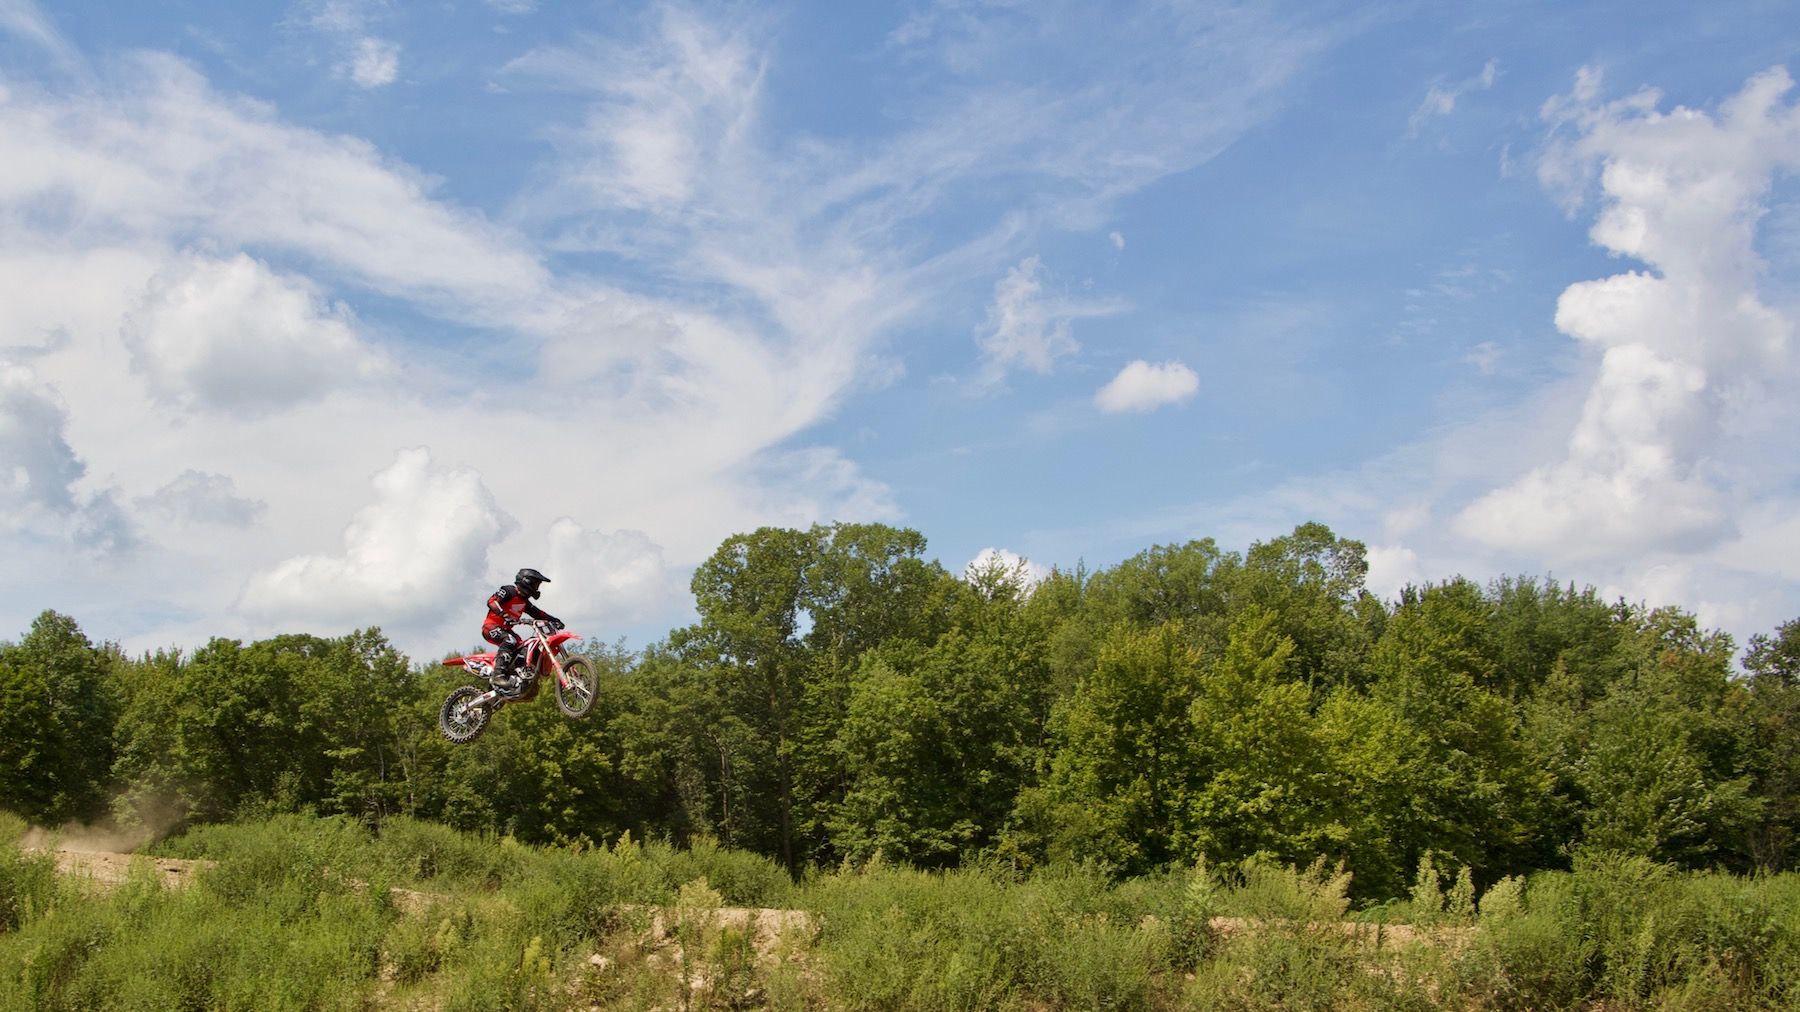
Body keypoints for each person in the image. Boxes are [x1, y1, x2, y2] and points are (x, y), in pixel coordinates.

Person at [483, 567, 563, 693]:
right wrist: (504, 614)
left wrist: (555, 620)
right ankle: (498, 675)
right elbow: (492, 601)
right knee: (511, 640)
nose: (537, 588)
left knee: (522, 646)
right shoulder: (508, 591)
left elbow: (538, 613)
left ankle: (517, 676)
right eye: (536, 584)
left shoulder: (524, 602)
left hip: (506, 630)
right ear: (527, 582)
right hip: (491, 627)